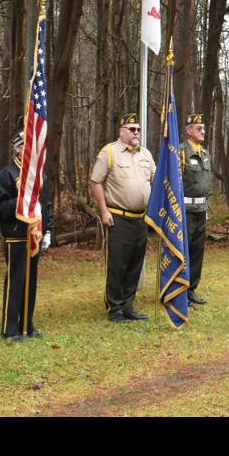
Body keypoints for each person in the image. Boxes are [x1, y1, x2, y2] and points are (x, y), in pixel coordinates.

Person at [89, 112, 155, 323]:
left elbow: (155, 179)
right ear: (121, 132)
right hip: (118, 217)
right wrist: (104, 211)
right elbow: (96, 182)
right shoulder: (109, 152)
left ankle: (128, 305)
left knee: (136, 263)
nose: (136, 132)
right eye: (131, 129)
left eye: (138, 129)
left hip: (141, 218)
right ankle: (114, 308)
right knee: (118, 264)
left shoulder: (145, 154)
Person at [0, 130, 54, 340]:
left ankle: (27, 324)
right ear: (17, 149)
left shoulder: (38, 175)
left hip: (34, 233)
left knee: (31, 281)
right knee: (16, 280)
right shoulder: (7, 174)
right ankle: (10, 328)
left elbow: (45, 204)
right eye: (25, 146)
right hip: (16, 233)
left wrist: (47, 230)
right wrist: (20, 200)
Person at [179, 112, 211, 305]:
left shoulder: (205, 153)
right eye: (199, 128)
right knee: (184, 252)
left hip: (201, 210)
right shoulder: (181, 152)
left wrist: (208, 205)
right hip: (185, 211)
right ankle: (179, 290)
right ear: (189, 131)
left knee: (198, 251)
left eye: (204, 128)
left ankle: (191, 290)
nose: (203, 131)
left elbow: (207, 183)